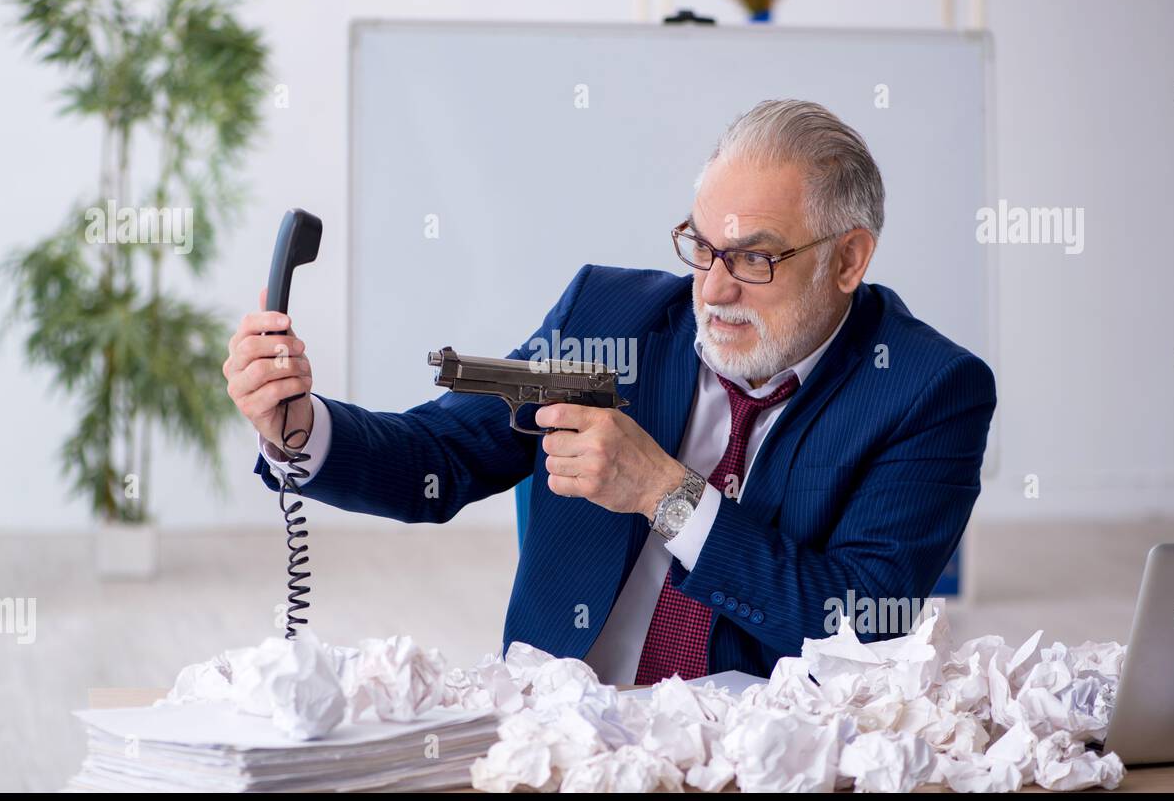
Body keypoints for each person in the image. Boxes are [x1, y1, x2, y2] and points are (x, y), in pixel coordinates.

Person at [223, 99, 997, 685]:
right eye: (702, 245)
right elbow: (439, 457)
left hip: (753, 756)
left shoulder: (930, 390)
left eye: (755, 258)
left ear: (849, 259)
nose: (715, 287)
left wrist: (667, 493)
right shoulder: (610, 315)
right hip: (555, 736)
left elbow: (860, 621)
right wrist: (297, 426)